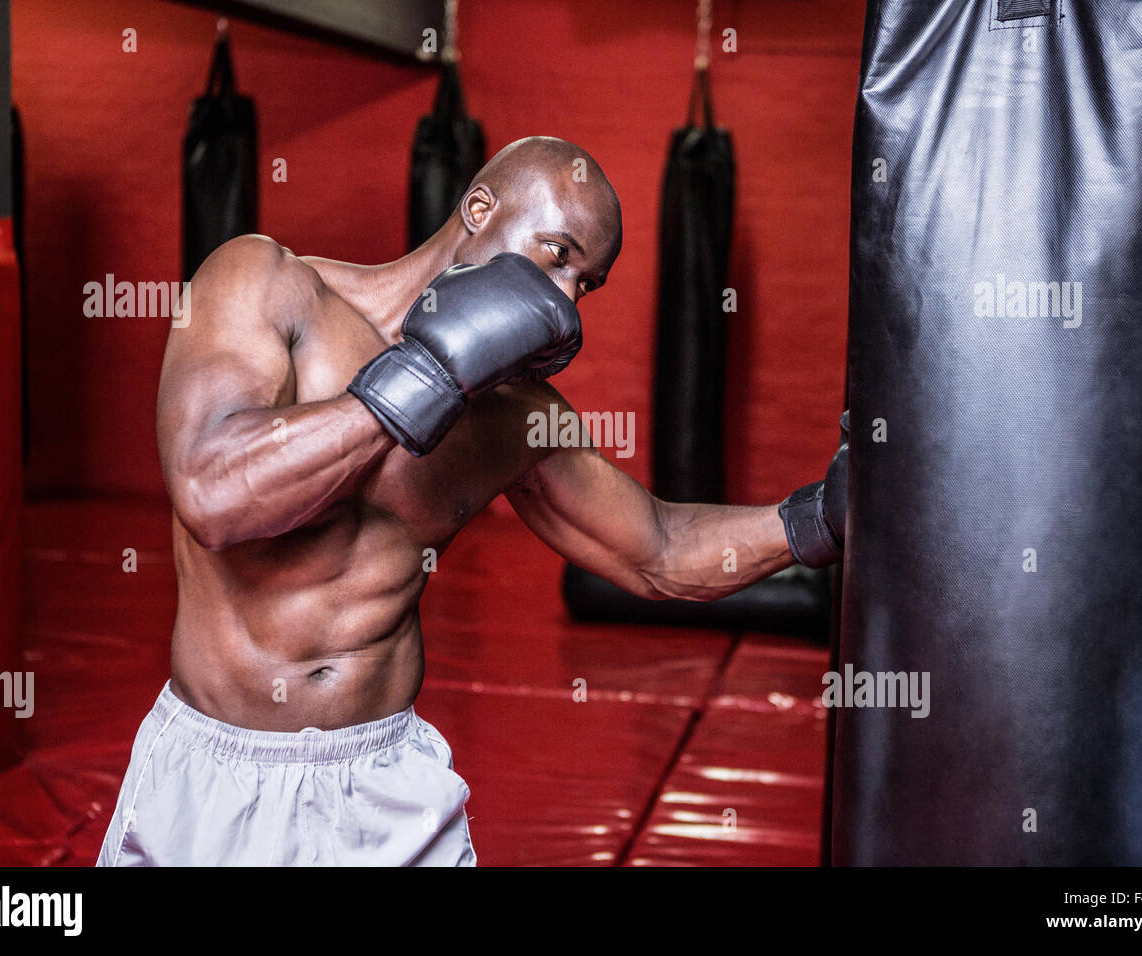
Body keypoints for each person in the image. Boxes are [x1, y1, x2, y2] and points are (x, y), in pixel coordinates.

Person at [97, 136, 847, 866]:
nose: (563, 300)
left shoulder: (515, 417)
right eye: (557, 256)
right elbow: (212, 492)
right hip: (218, 780)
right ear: (480, 206)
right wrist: (426, 377)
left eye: (586, 286)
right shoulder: (264, 284)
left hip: (387, 787)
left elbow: (660, 550)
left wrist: (820, 519)